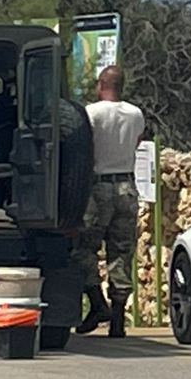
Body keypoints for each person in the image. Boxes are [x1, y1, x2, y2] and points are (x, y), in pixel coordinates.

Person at [74, 65, 145, 339]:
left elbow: (83, 146)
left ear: (101, 84)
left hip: (99, 185)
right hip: (127, 186)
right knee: (121, 252)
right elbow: (136, 143)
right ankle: (117, 319)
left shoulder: (91, 114)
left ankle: (96, 301)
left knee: (83, 247)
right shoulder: (135, 114)